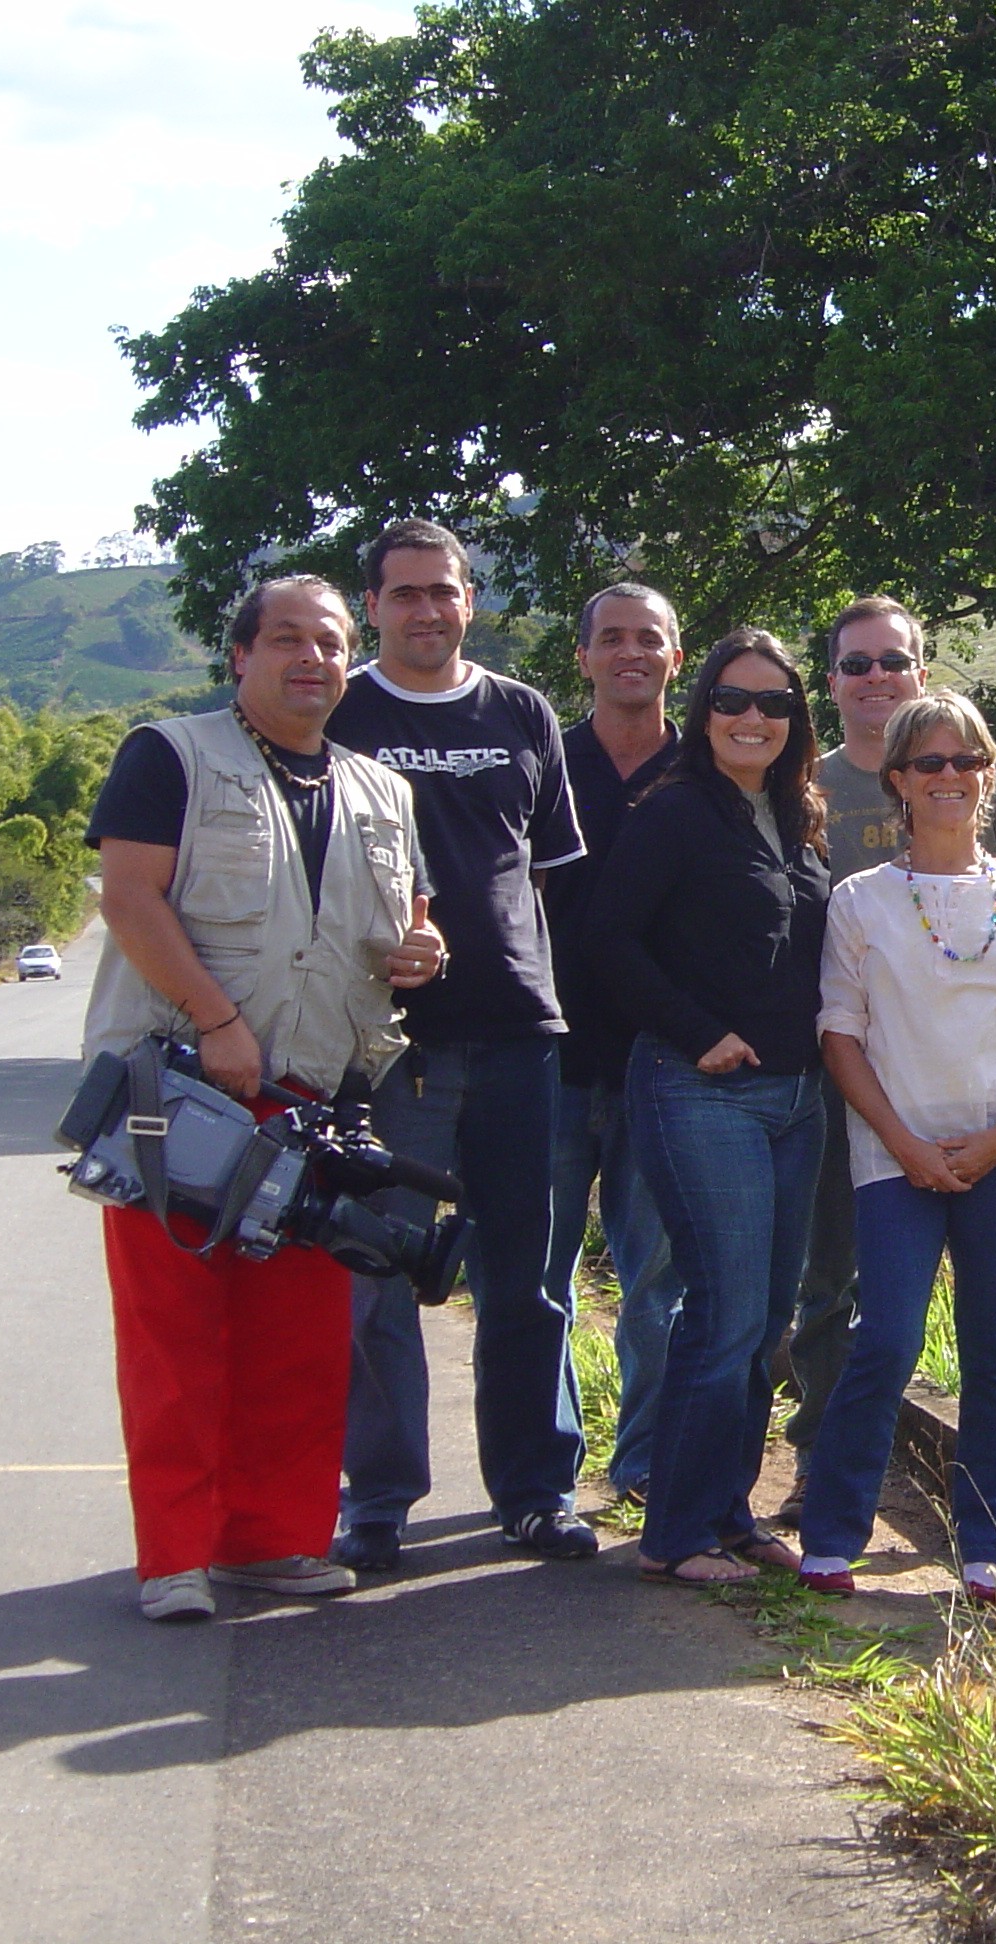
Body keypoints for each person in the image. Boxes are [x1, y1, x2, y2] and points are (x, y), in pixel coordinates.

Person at [82, 574, 445, 1620]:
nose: (312, 659)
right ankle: (176, 1559)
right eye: (286, 639)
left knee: (299, 1340)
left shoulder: (383, 790)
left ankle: (274, 1541)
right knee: (178, 1339)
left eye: (330, 642)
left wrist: (428, 945)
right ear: (239, 656)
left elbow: (414, 918)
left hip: (314, 1106)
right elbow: (129, 899)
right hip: (183, 1093)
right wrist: (213, 1019)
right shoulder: (172, 755)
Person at [777, 595, 996, 1528]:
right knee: (835, 1282)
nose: (876, 677)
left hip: (994, 1113)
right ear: (832, 682)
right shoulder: (807, 785)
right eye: (856, 664)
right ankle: (821, 1468)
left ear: (920, 670)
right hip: (856, 1088)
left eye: (893, 661)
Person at [325, 519, 597, 1570]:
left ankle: (534, 1491)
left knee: (524, 1278)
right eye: (405, 594)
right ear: (374, 607)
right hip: (395, 1047)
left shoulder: (522, 710)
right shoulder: (340, 707)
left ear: (470, 599)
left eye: (444, 591)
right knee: (379, 1273)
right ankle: (380, 1500)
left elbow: (543, 875)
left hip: (522, 1035)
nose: (427, 610)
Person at [587, 628, 830, 1586]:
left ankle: (728, 1513)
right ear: (704, 711)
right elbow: (609, 942)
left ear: (794, 721)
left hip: (797, 1099)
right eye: (732, 699)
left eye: (774, 704)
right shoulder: (674, 812)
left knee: (765, 1316)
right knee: (722, 1311)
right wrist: (696, 1032)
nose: (752, 719)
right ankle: (676, 1531)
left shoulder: (791, 811)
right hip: (704, 1092)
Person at [539, 581, 690, 1506]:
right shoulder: (540, 762)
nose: (631, 653)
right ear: (585, 655)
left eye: (651, 639)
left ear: (676, 658)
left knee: (656, 1289)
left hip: (664, 1067)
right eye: (613, 639)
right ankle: (546, 1475)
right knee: (536, 1284)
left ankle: (643, 1465)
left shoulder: (710, 771)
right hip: (549, 1059)